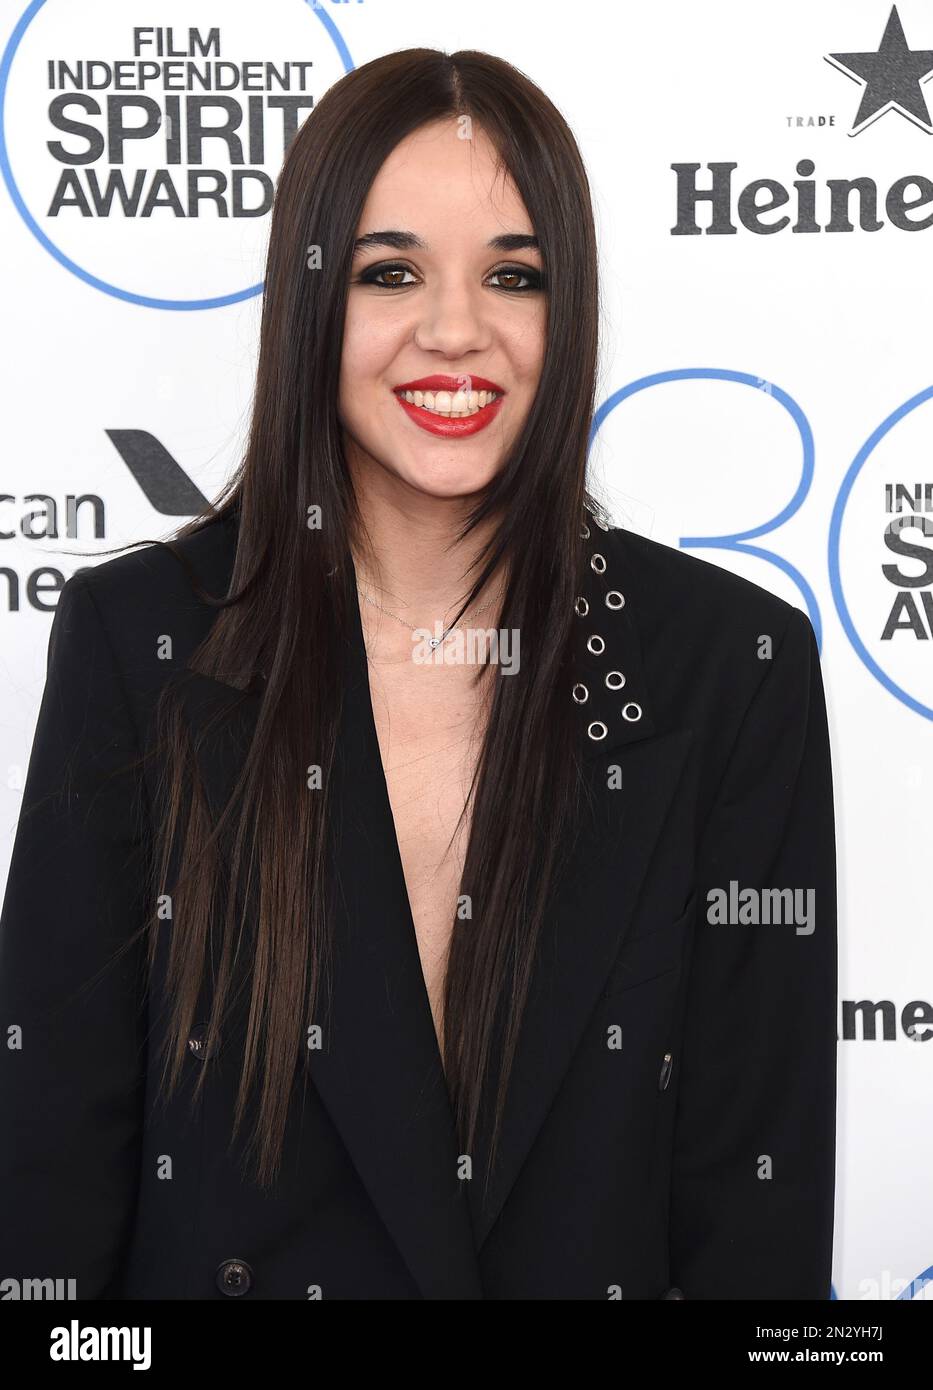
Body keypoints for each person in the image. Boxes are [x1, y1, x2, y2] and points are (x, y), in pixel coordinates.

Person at [0, 48, 837, 1300]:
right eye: (392, 272)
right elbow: (49, 1182)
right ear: (311, 300)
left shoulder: (732, 668)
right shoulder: (145, 644)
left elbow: (754, 1225)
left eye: (516, 275)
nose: (458, 330)